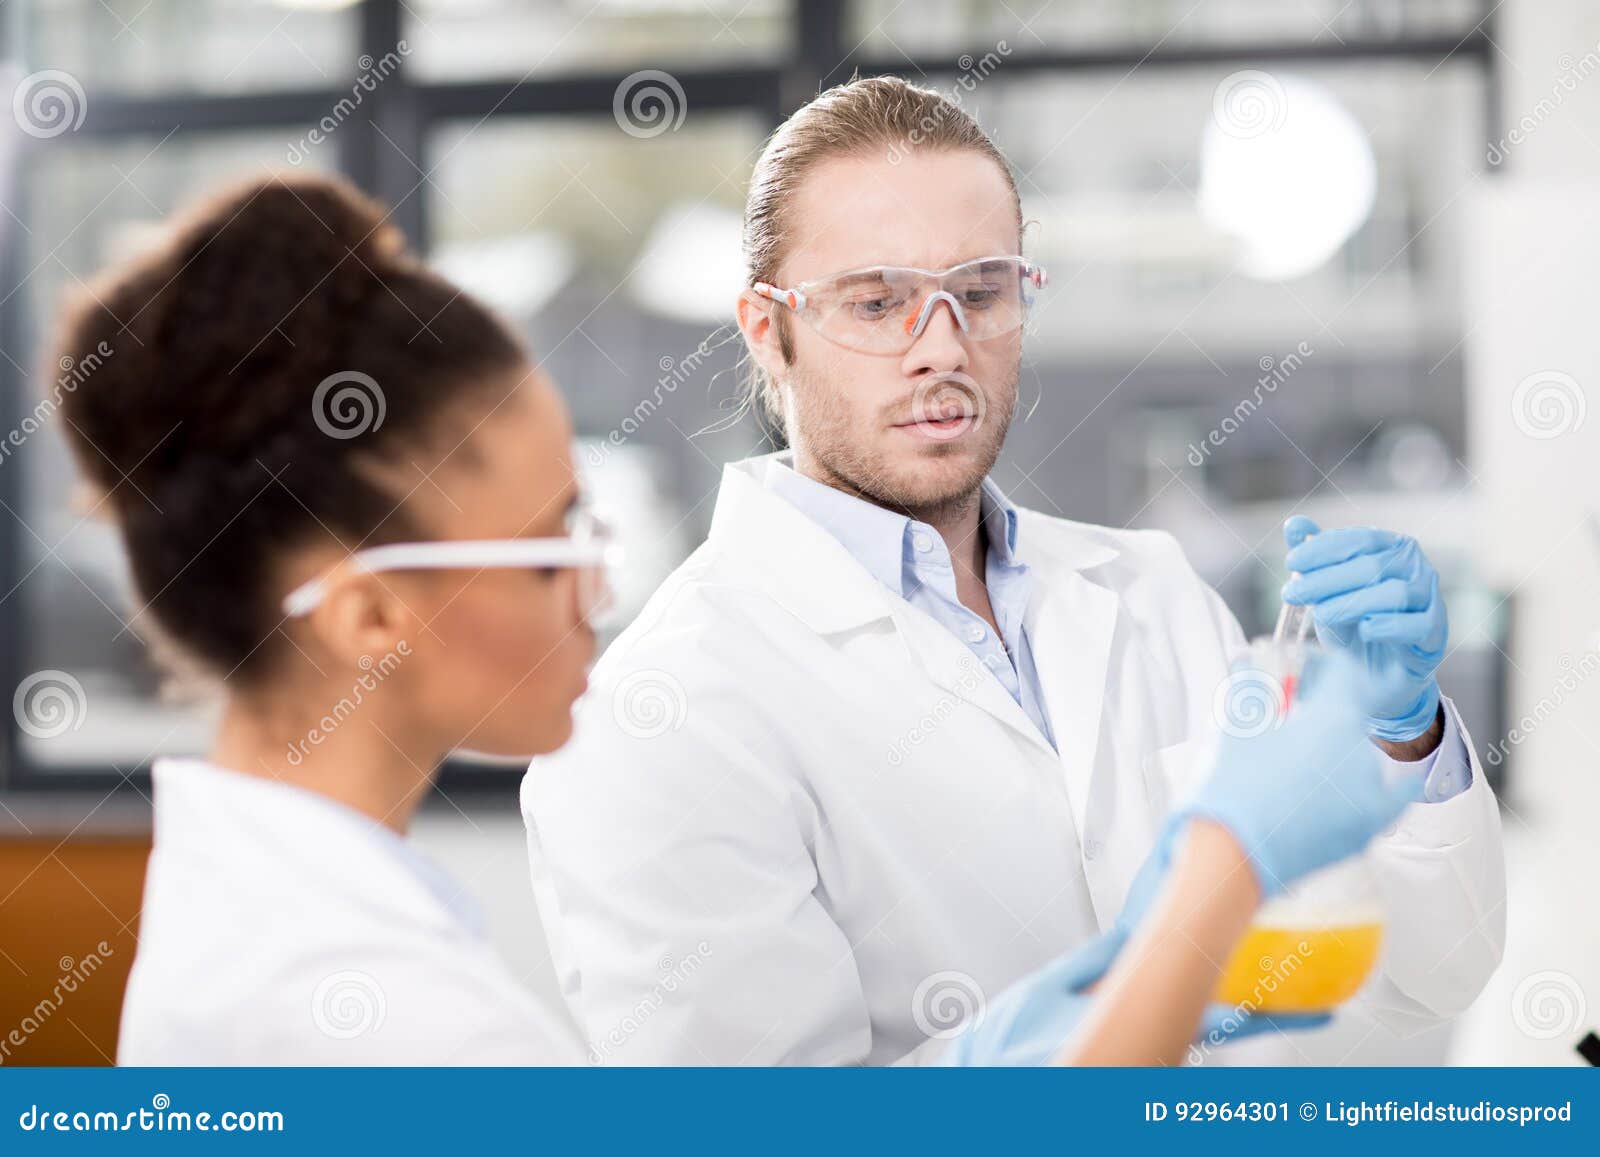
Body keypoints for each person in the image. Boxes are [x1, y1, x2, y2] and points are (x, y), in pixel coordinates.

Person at [53, 173, 1415, 1069]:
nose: (595, 588)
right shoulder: (383, 1023)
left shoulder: (303, 908)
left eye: (981, 291)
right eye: (547, 551)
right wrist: (1223, 872)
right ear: (363, 617)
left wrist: (1090, 996)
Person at [521, 75, 1506, 1065]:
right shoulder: (658, 707)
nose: (940, 346)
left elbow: (1419, 981)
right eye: (876, 302)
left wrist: (1402, 737)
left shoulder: (1151, 592)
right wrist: (1160, 958)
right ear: (765, 330)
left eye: (980, 291)